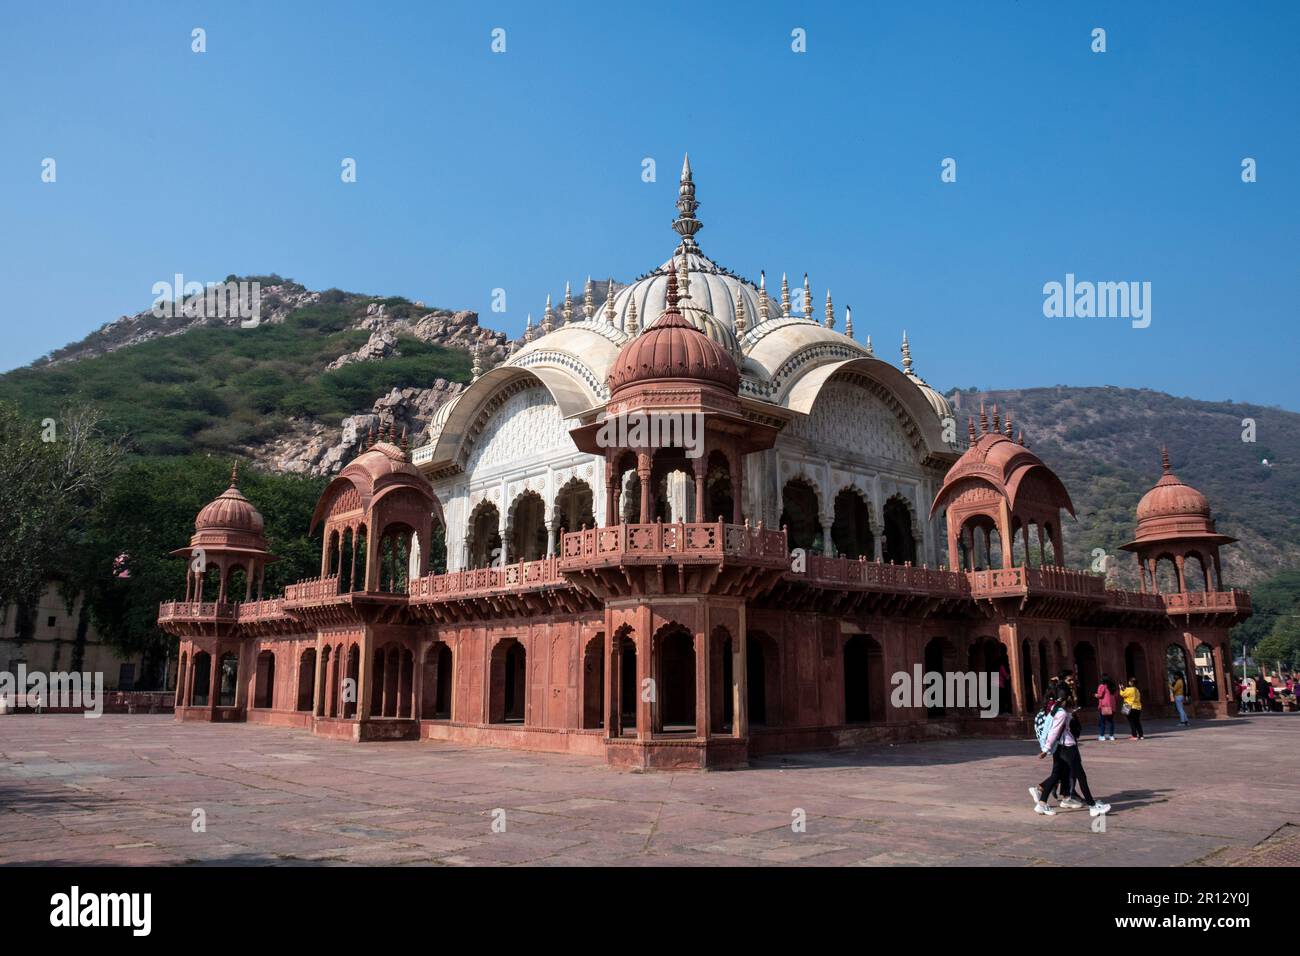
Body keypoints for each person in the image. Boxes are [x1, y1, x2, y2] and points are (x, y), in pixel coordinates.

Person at [1031, 683, 1110, 818]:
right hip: (1067, 746)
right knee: (1080, 775)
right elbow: (1055, 730)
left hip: (1059, 747)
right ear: (1068, 696)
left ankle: (1041, 803)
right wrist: (1046, 748)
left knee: (1056, 775)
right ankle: (1092, 806)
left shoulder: (1055, 708)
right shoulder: (1061, 712)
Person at [1095, 674, 1118, 741]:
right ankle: (1111, 736)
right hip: (1112, 706)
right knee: (1111, 722)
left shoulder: (1102, 686)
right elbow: (1116, 697)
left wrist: (1095, 695)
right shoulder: (1113, 687)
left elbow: (1100, 695)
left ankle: (1102, 736)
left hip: (1104, 706)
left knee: (1103, 721)